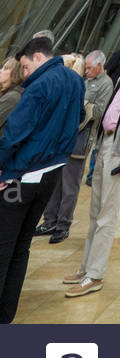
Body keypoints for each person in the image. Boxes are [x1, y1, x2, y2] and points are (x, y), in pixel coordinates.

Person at [0, 33, 84, 323]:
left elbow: (14, 134)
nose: (23, 73)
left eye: (24, 66)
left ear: (38, 57)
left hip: (22, 177)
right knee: (21, 246)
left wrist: (3, 168)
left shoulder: (37, 87)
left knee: (4, 246)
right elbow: (79, 117)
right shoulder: (75, 80)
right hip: (52, 174)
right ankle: (6, 314)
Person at [64, 37, 120, 298]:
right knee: (95, 211)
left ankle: (95, 274)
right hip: (105, 142)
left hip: (119, 149)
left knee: (107, 214)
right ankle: (85, 268)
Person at [36, 50, 113, 246]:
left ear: (99, 66)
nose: (86, 71)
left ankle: (63, 225)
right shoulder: (84, 81)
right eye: (85, 67)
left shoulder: (106, 84)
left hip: (80, 141)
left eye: (89, 67)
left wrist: (80, 105)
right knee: (54, 183)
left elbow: (98, 112)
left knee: (70, 187)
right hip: (64, 139)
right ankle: (49, 221)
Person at [0, 59, 24, 135]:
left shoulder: (12, 97)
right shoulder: (8, 93)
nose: (1, 71)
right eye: (2, 67)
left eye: (6, 68)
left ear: (15, 73)